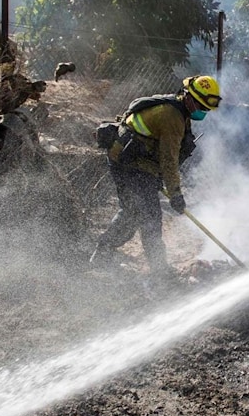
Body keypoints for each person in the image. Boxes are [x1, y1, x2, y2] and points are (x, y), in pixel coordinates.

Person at [91, 75, 222, 276]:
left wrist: (157, 178)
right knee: (149, 217)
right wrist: (176, 194)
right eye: (201, 106)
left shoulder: (178, 110)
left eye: (206, 109)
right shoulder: (172, 117)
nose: (202, 111)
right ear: (188, 97)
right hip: (128, 165)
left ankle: (103, 254)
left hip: (138, 165)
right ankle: (158, 270)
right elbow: (169, 160)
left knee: (133, 213)